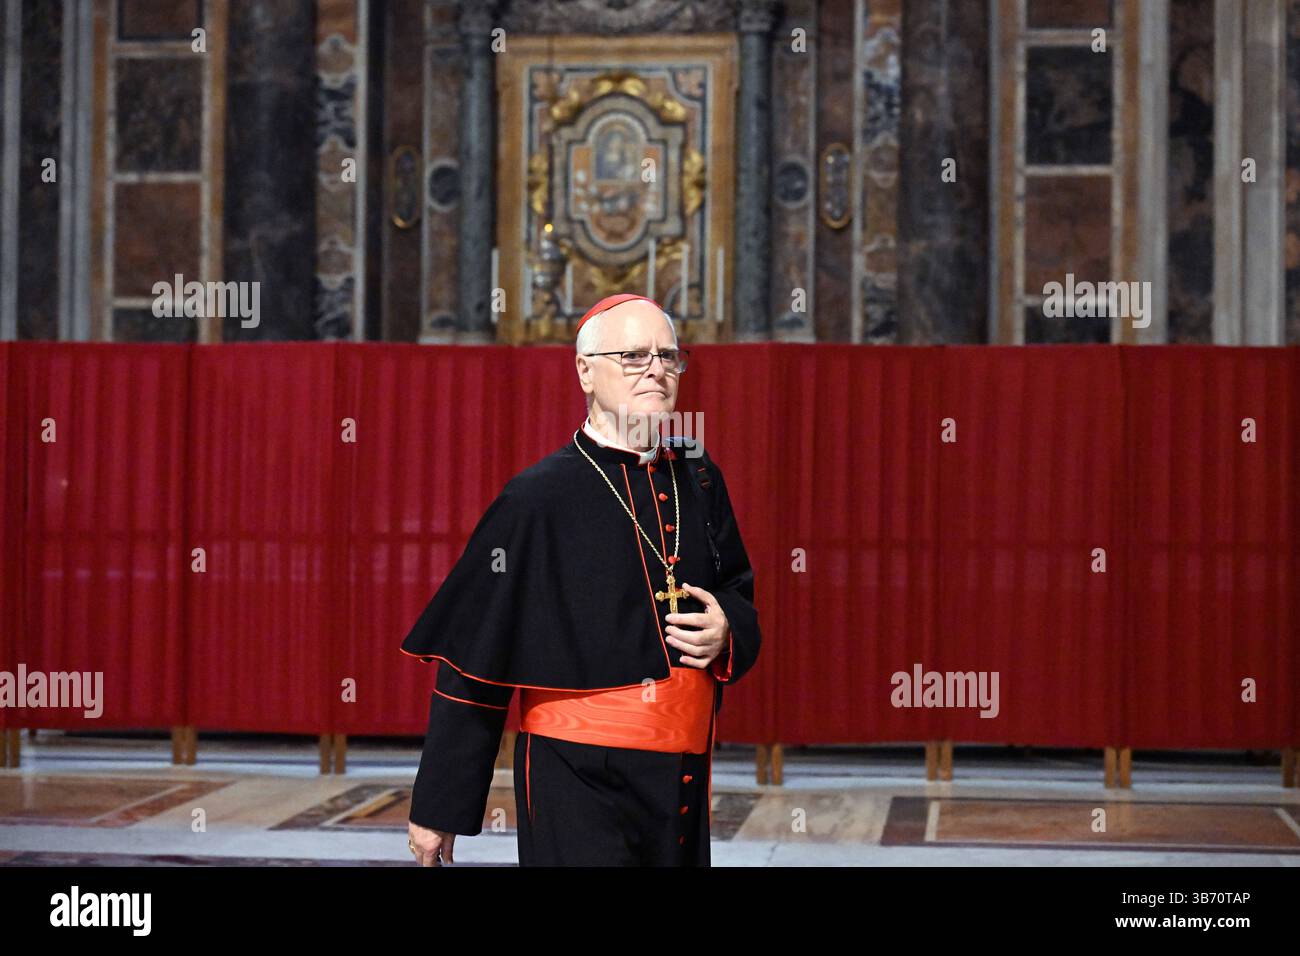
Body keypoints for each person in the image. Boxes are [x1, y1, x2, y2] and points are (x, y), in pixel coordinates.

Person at [401, 293, 761, 866]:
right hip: (578, 776)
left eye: (669, 357)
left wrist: (726, 630)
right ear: (585, 372)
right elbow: (475, 662)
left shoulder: (698, 475)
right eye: (635, 355)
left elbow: (738, 592)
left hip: (683, 772)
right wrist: (439, 806)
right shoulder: (537, 498)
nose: (657, 371)